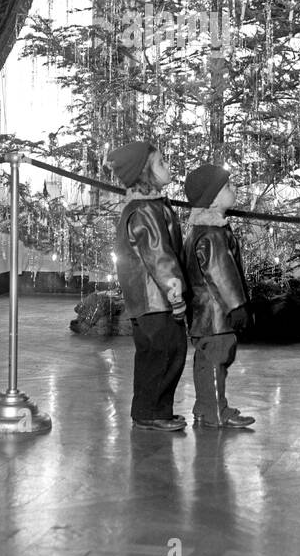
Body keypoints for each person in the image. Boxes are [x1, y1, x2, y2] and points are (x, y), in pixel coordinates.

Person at [108, 141, 190, 432]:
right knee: (166, 351)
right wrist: (174, 292)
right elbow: (159, 257)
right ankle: (151, 412)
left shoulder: (150, 206)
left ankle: (151, 410)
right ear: (144, 174)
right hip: (155, 299)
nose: (168, 166)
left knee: (156, 354)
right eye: (160, 163)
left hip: (150, 299)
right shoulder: (144, 211)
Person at [183, 163, 255, 429]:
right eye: (227, 186)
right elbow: (221, 273)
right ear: (212, 199)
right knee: (217, 360)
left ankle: (204, 406)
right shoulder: (212, 234)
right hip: (216, 315)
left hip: (204, 314)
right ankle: (215, 411)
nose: (233, 188)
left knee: (207, 360)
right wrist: (238, 306)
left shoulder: (199, 231)